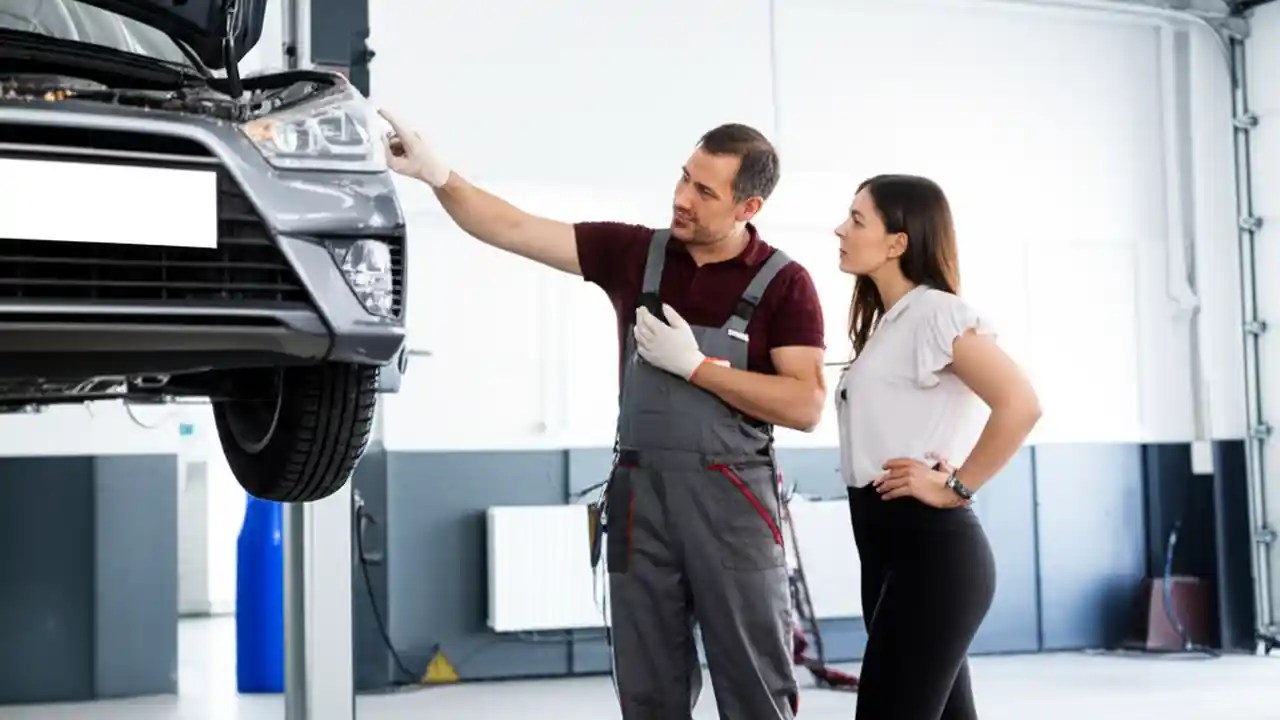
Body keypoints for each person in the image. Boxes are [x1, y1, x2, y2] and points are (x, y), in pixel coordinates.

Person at [377, 109, 827, 720]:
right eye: (683, 178)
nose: (681, 198)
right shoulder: (634, 254)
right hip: (641, 499)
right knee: (647, 688)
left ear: (748, 208)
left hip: (734, 504)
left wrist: (699, 369)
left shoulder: (784, 283)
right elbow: (512, 227)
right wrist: (439, 175)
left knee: (753, 687)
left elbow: (805, 404)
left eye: (704, 190)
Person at [831, 174, 1042, 720]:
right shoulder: (890, 324)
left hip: (931, 555)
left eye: (857, 220)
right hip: (886, 552)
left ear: (898, 242)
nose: (840, 229)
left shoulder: (936, 314)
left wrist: (956, 486)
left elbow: (1020, 403)